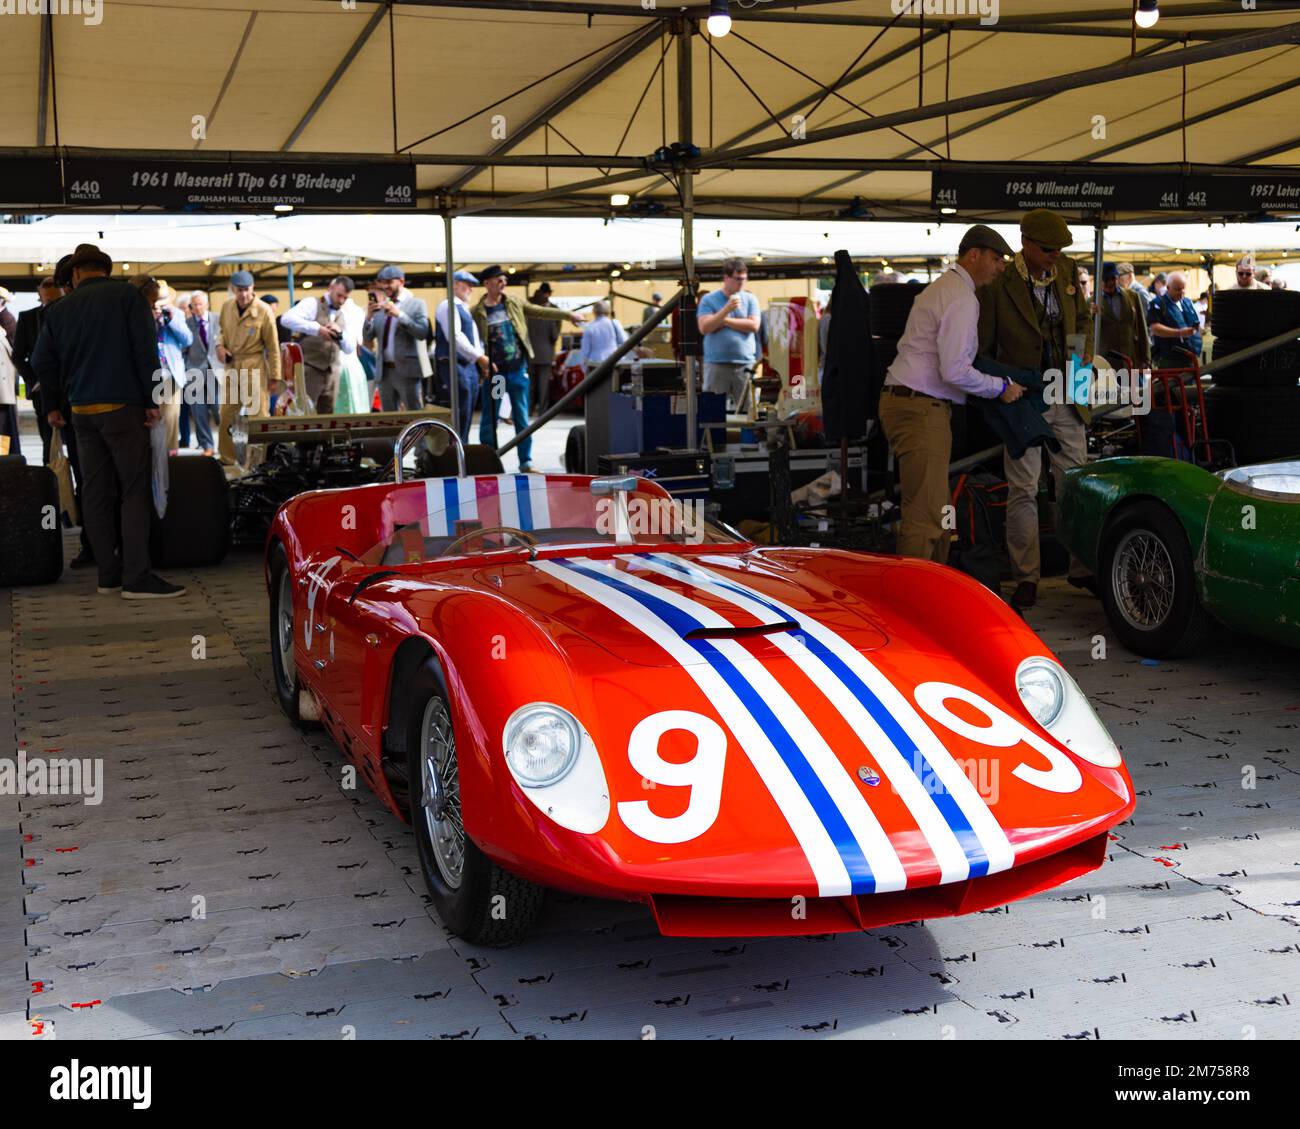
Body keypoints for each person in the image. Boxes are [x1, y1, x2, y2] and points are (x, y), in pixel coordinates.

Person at [29, 243, 185, 599]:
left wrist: (53, 405)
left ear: (76, 273)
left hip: (81, 413)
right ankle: (137, 577)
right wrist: (151, 400)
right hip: (123, 408)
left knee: (95, 494)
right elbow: (145, 350)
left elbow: (42, 361)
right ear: (104, 269)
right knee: (133, 491)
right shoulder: (127, 297)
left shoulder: (58, 309)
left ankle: (108, 576)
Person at [880, 225, 1023, 563]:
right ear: (974, 255)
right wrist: (1000, 387)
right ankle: (913, 603)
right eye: (996, 258)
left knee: (941, 514)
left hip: (917, 404)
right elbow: (955, 371)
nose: (1001, 266)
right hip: (920, 409)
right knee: (928, 517)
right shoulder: (961, 298)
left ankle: (934, 590)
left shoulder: (945, 289)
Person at [978, 208, 1094, 609]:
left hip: (1067, 390)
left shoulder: (1066, 271)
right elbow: (983, 348)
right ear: (1024, 244)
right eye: (1047, 249)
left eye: (1060, 249)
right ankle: (1027, 577)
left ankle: (1082, 569)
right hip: (1024, 396)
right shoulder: (998, 283)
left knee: (1075, 482)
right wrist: (1003, 387)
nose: (1055, 256)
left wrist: (1080, 379)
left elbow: (1081, 323)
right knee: (1024, 487)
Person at [472, 264, 582, 471]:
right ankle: (488, 461)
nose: (503, 282)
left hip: (517, 370)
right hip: (496, 375)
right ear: (487, 284)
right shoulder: (477, 312)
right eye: (498, 279)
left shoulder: (513, 302)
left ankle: (525, 461)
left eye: (504, 279)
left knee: (522, 417)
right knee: (490, 418)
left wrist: (567, 315)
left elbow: (539, 311)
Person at [216, 270, 281, 469]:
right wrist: (220, 346)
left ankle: (258, 461)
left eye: (247, 290)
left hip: (255, 366)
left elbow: (273, 345)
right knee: (227, 413)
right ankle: (227, 459)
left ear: (253, 288)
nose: (243, 294)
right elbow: (220, 331)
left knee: (257, 416)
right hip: (232, 366)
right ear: (232, 289)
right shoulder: (227, 307)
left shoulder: (263, 310)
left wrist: (275, 376)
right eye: (239, 290)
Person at [281, 276, 363, 414]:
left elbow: (349, 348)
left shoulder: (343, 314)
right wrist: (317, 329)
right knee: (304, 411)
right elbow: (286, 319)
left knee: (327, 414)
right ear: (331, 288)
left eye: (345, 298)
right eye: (339, 295)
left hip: (333, 372)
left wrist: (340, 333)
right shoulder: (312, 303)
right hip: (310, 369)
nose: (341, 300)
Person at [132, 277, 193, 455]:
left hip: (170, 375)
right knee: (147, 419)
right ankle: (150, 456)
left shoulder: (175, 314)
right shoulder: (140, 314)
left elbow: (188, 340)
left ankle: (171, 455)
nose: (158, 307)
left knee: (171, 419)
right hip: (147, 376)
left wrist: (172, 321)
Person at [697, 257, 761, 414]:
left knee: (750, 412)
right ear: (726, 278)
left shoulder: (750, 299)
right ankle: (714, 439)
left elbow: (753, 325)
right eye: (737, 279)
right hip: (717, 365)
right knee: (712, 413)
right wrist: (726, 310)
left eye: (744, 279)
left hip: (745, 365)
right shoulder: (709, 299)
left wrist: (722, 321)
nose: (741, 283)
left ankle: (749, 439)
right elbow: (704, 327)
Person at [363, 265, 430, 411]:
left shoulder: (417, 304)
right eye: (382, 282)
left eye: (388, 282)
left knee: (414, 414)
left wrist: (400, 315)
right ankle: (394, 436)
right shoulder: (381, 307)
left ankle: (418, 436)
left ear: (401, 281)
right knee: (389, 418)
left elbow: (422, 332)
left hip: (407, 371)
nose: (384, 286)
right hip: (384, 372)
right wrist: (368, 317)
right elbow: (367, 337)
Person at [434, 270, 491, 442]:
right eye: (468, 285)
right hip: (455, 362)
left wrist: (480, 359)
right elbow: (455, 336)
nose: (471, 290)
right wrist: (480, 358)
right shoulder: (448, 305)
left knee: (467, 407)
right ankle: (456, 447)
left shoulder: (462, 308)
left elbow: (471, 338)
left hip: (467, 364)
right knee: (462, 406)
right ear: (455, 285)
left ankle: (461, 445)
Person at [12, 276, 61, 461]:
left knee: (76, 443)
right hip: (42, 389)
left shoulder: (71, 313)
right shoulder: (28, 317)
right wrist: (34, 381)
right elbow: (18, 355)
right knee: (48, 442)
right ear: (39, 292)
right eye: (46, 286)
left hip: (69, 387)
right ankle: (50, 484)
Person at [185, 291, 221, 456]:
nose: (197, 308)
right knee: (199, 411)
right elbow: (183, 350)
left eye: (200, 304)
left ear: (207, 304)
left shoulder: (219, 319)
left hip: (217, 371)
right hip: (195, 372)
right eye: (194, 305)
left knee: (219, 409)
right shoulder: (187, 324)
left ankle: (229, 443)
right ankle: (207, 446)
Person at [1096, 262, 1152, 370]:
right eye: (1106, 279)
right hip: (1106, 361)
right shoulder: (1093, 302)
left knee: (1134, 387)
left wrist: (1146, 357)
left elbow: (1141, 327)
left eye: (1113, 278)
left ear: (1117, 277)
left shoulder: (1132, 296)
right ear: (1101, 280)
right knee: (1108, 387)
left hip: (1131, 358)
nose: (1110, 282)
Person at [1148, 270, 1202, 369]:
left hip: (1190, 357)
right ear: (1168, 288)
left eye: (1183, 289)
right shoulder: (1158, 304)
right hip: (1170, 359)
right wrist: (1179, 332)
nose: (1181, 292)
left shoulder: (1187, 302)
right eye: (1177, 289)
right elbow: (1155, 329)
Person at [525, 282, 561, 413]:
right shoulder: (553, 311)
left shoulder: (529, 308)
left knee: (530, 384)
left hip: (529, 353)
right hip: (546, 353)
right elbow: (554, 335)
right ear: (549, 294)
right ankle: (543, 411)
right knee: (543, 385)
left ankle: (528, 409)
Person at [578, 301, 626, 374]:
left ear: (594, 311)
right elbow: (625, 342)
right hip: (614, 362)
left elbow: (585, 351)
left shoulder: (589, 327)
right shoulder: (615, 324)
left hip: (595, 364)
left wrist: (584, 369)